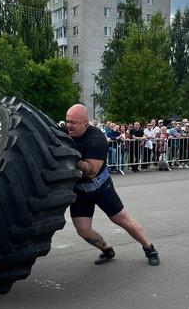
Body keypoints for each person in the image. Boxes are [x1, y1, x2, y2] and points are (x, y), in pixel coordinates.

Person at [65, 104, 160, 266]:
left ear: (85, 123)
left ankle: (149, 248)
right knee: (83, 229)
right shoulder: (65, 133)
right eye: (67, 121)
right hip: (80, 191)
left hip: (100, 187)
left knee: (122, 220)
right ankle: (106, 249)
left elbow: (91, 171)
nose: (69, 126)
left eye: (73, 122)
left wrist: (70, 157)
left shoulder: (96, 139)